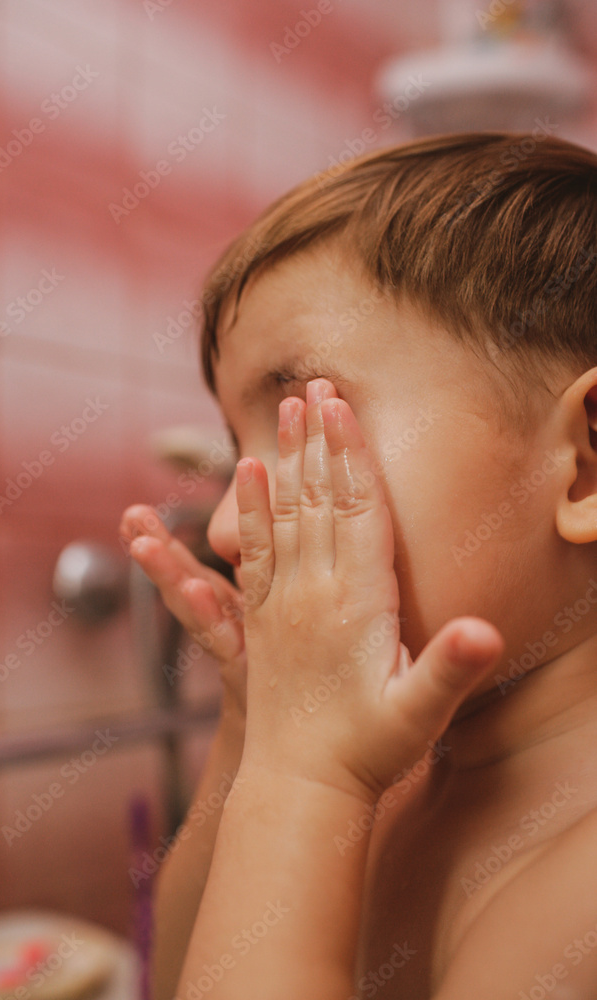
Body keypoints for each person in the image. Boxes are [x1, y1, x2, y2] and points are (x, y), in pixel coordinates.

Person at [120, 131, 597, 999]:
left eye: (303, 418)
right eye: (237, 458)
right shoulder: (396, 785)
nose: (228, 526)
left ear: (586, 462)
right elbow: (178, 973)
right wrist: (250, 737)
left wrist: (301, 775)